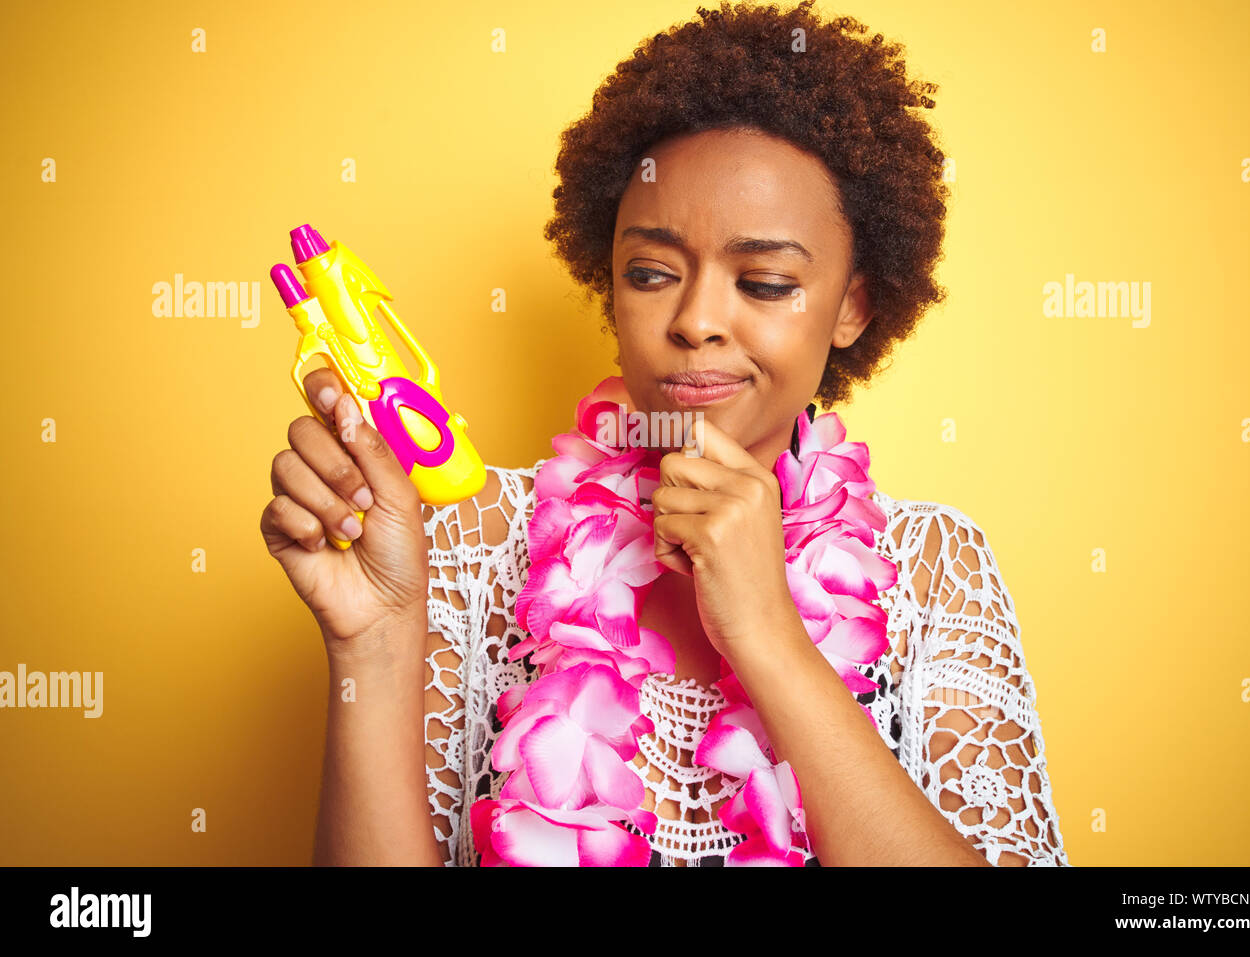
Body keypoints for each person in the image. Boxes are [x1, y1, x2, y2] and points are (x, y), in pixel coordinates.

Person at [261, 0, 1069, 867]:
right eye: (651, 273)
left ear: (853, 307)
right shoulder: (470, 542)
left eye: (762, 282)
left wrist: (767, 635)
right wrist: (374, 642)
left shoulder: (934, 572)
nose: (694, 321)